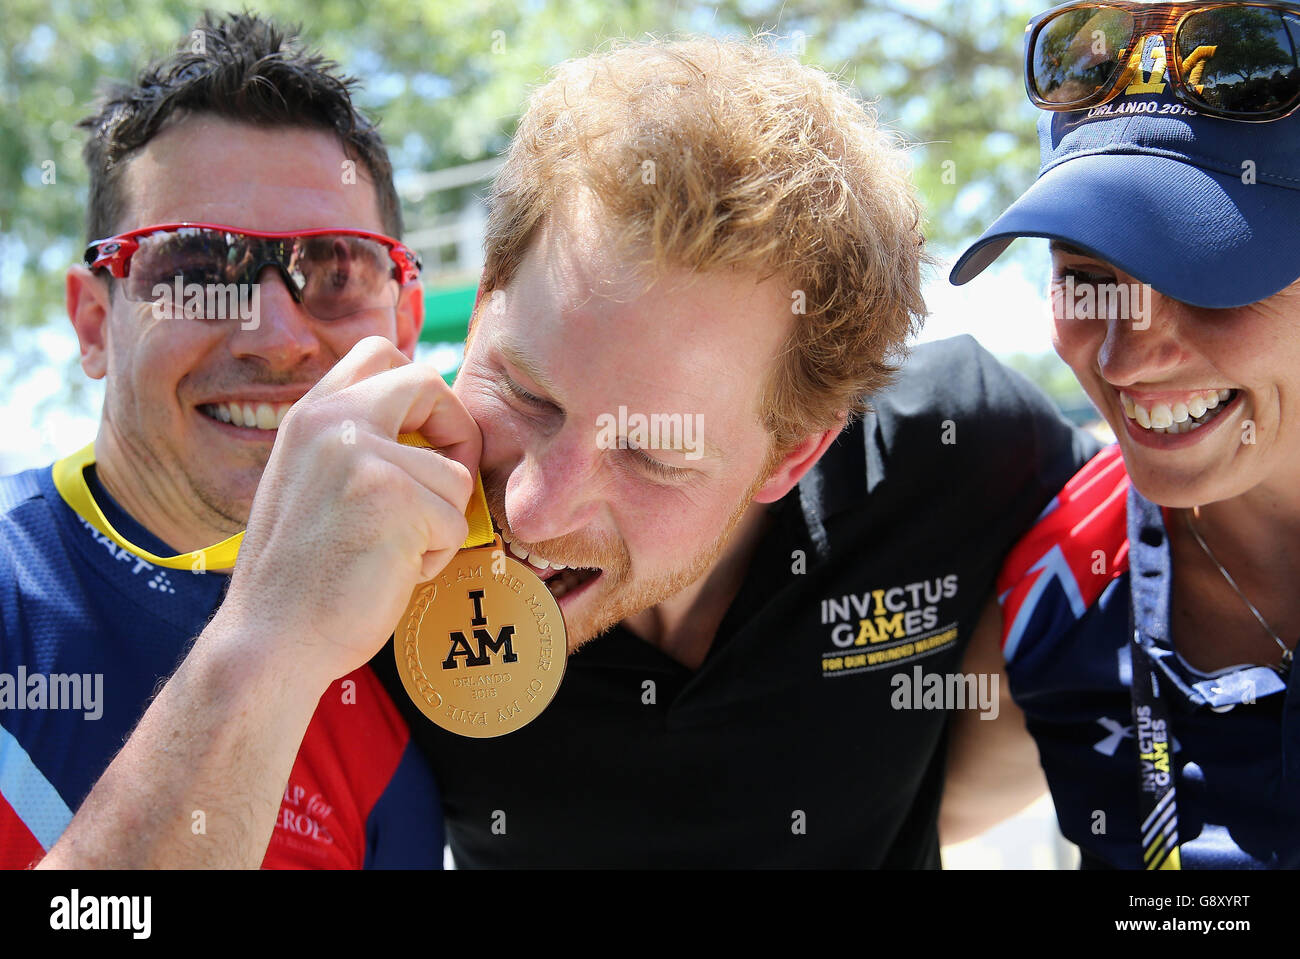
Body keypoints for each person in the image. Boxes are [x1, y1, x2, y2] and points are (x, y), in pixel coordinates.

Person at [40, 35, 1097, 870]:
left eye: (652, 455)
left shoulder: (967, 452)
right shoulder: (354, 562)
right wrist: (263, 645)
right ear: (478, 306)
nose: (536, 508)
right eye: (527, 393)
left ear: (791, 454)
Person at [0, 11, 445, 868]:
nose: (275, 337)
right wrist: (272, 636)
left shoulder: (434, 633)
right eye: (198, 270)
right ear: (94, 323)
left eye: (335, 269)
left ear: (406, 321)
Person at [952, 0, 1300, 868]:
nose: (1127, 354)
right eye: (1088, 275)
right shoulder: (1057, 585)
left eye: (1215, 271)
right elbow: (890, 824)